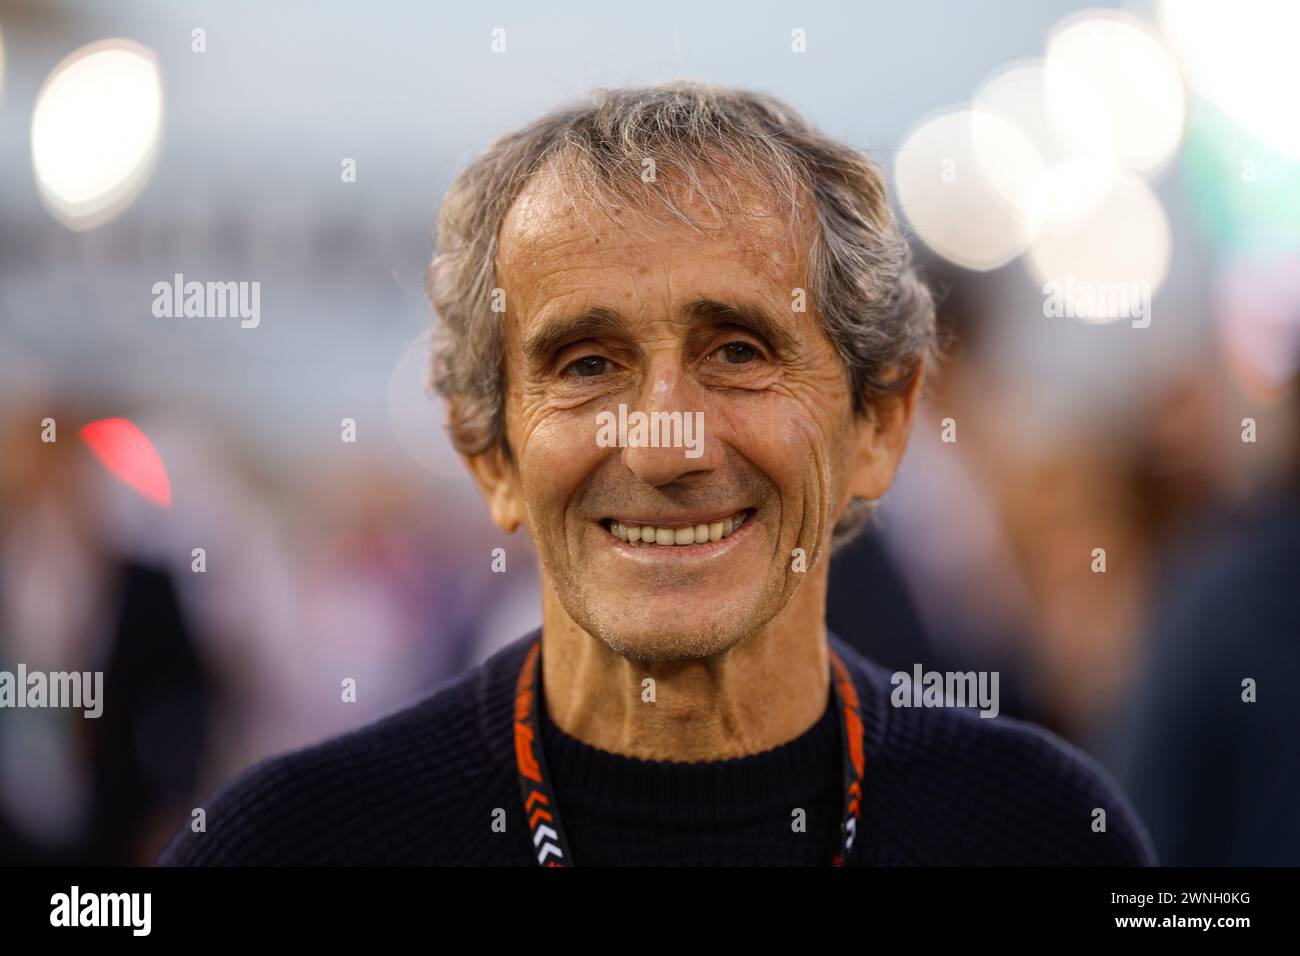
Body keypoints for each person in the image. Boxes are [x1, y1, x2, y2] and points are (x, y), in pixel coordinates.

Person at [157, 82, 1153, 866]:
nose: (668, 442)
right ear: (490, 454)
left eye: (736, 351)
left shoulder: (1043, 832)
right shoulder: (291, 846)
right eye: (587, 365)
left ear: (879, 424)